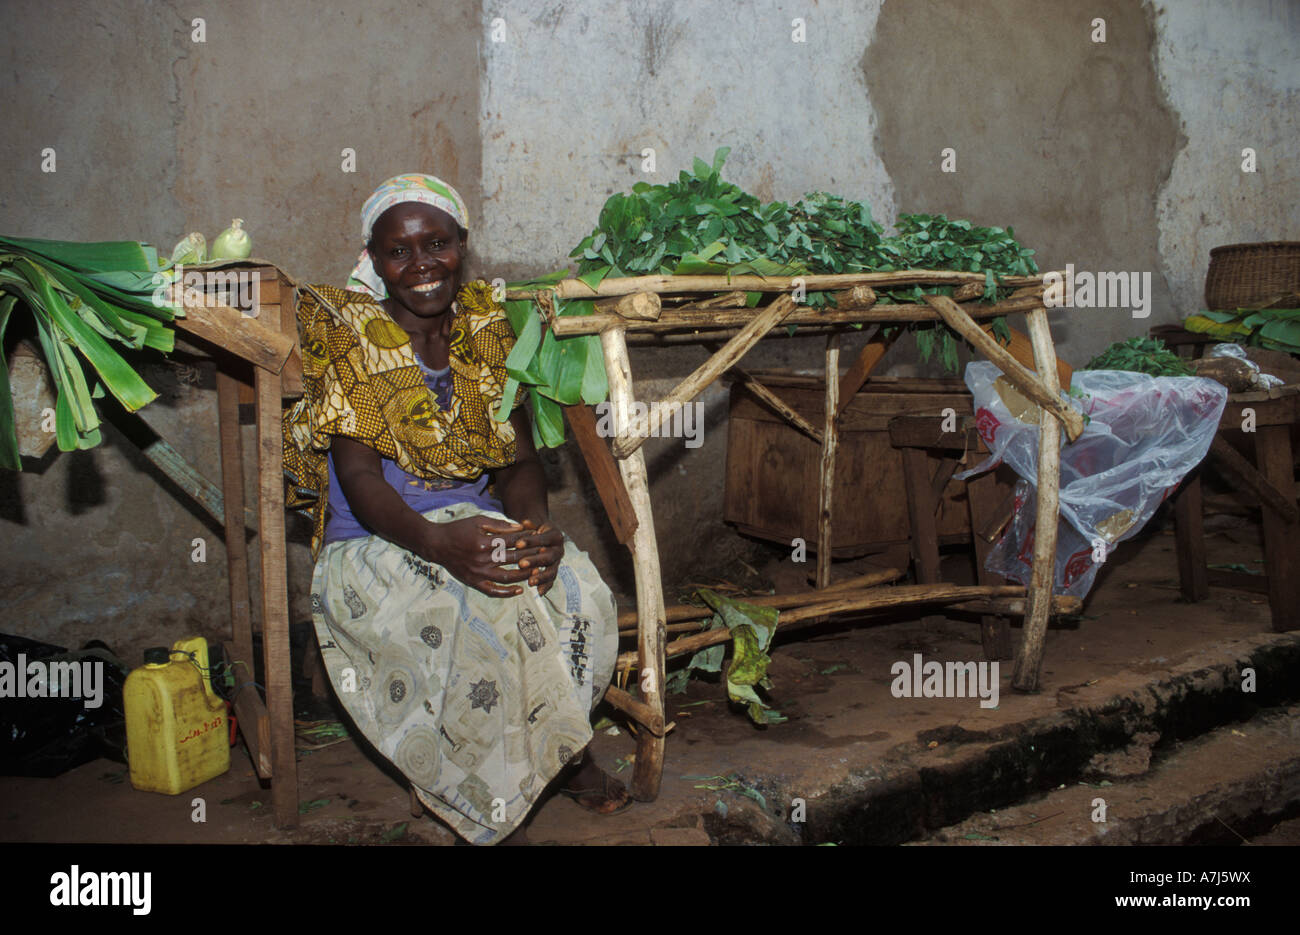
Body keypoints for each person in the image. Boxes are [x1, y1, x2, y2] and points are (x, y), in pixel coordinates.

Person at [282, 173, 627, 844]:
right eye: (398, 252)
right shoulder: (354, 334)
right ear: (376, 260)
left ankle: (560, 753)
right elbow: (358, 480)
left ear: (461, 245)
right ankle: (488, 799)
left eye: (435, 244)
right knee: (493, 611)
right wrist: (440, 546)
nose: (420, 266)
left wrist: (531, 529)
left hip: (472, 527)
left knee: (578, 590)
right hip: (382, 544)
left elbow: (519, 461)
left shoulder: (485, 330)